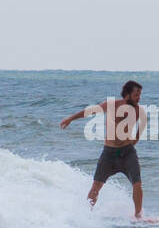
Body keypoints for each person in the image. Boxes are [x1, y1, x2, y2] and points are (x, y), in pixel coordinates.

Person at [60, 80, 146, 218]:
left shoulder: (138, 111)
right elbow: (90, 111)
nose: (139, 98)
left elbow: (138, 134)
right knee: (96, 186)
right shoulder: (111, 105)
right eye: (136, 95)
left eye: (140, 95)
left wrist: (131, 141)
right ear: (128, 94)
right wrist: (70, 119)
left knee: (137, 184)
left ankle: (138, 217)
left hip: (127, 153)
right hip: (109, 154)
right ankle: (86, 214)